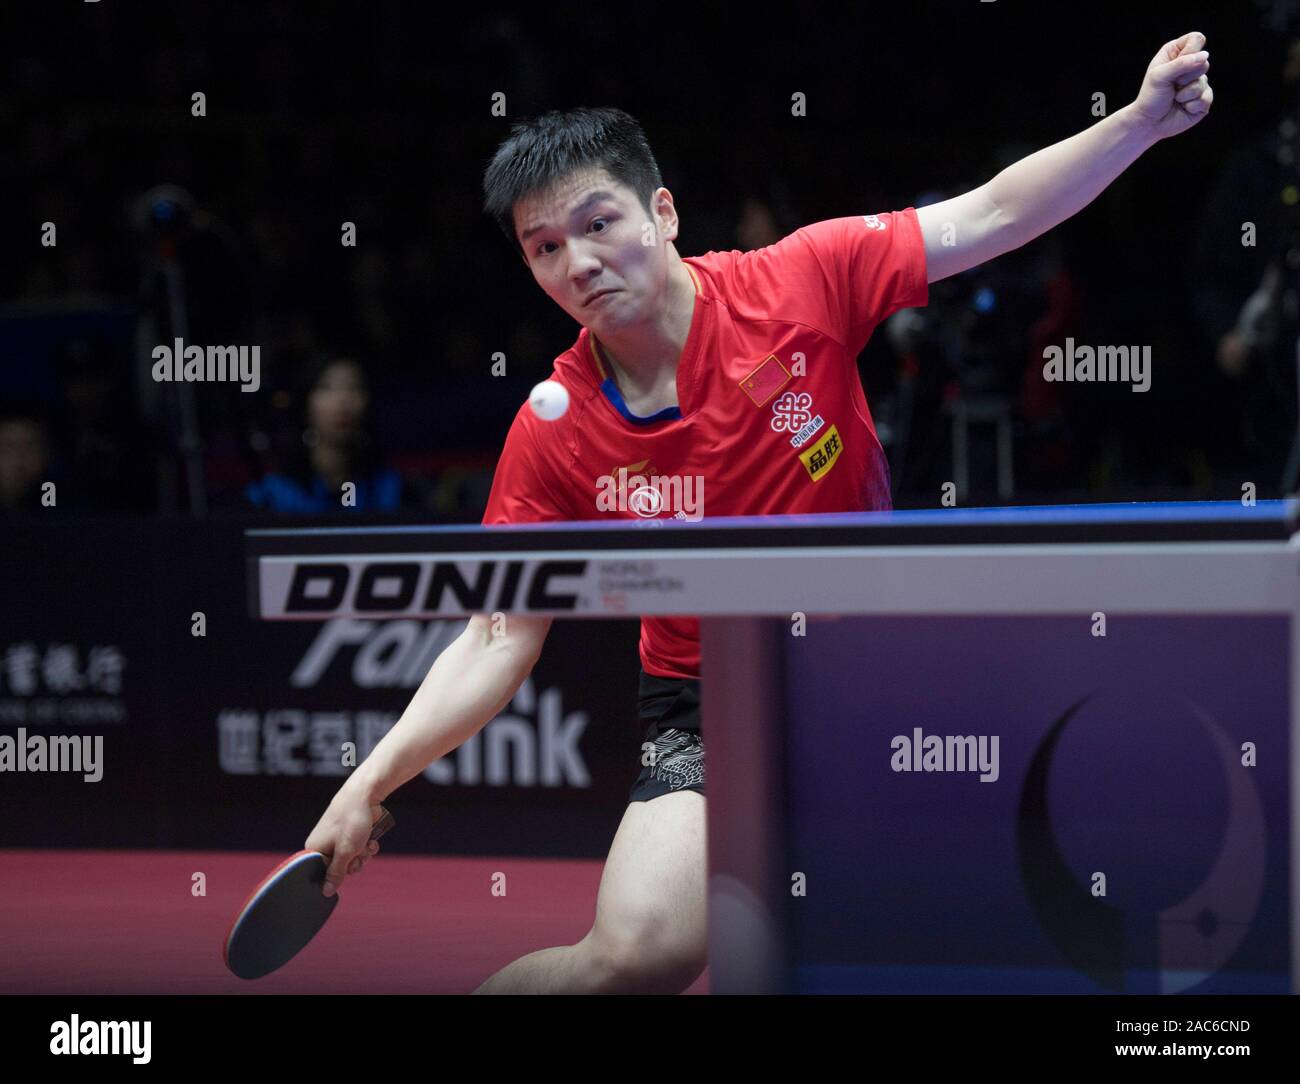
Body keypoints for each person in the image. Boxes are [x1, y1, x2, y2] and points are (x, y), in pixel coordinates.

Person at [304, 33, 1214, 993]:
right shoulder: (553, 429)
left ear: (662, 212)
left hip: (877, 666)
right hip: (705, 700)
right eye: (544, 248)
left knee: (975, 938)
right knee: (633, 958)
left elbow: (990, 212)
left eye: (597, 222)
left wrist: (1140, 122)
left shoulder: (801, 281)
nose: (578, 262)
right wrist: (370, 781)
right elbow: (495, 638)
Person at [245, 355, 403, 513]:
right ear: (306, 403)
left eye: (354, 387)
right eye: (327, 387)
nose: (343, 401)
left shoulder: (389, 487)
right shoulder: (272, 493)